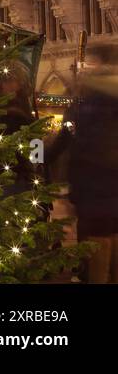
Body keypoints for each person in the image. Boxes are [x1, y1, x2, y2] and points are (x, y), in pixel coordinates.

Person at [50, 42, 118, 283]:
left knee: (97, 237)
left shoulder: (90, 97)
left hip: (95, 180)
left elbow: (73, 138)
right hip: (107, 180)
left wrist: (45, 160)